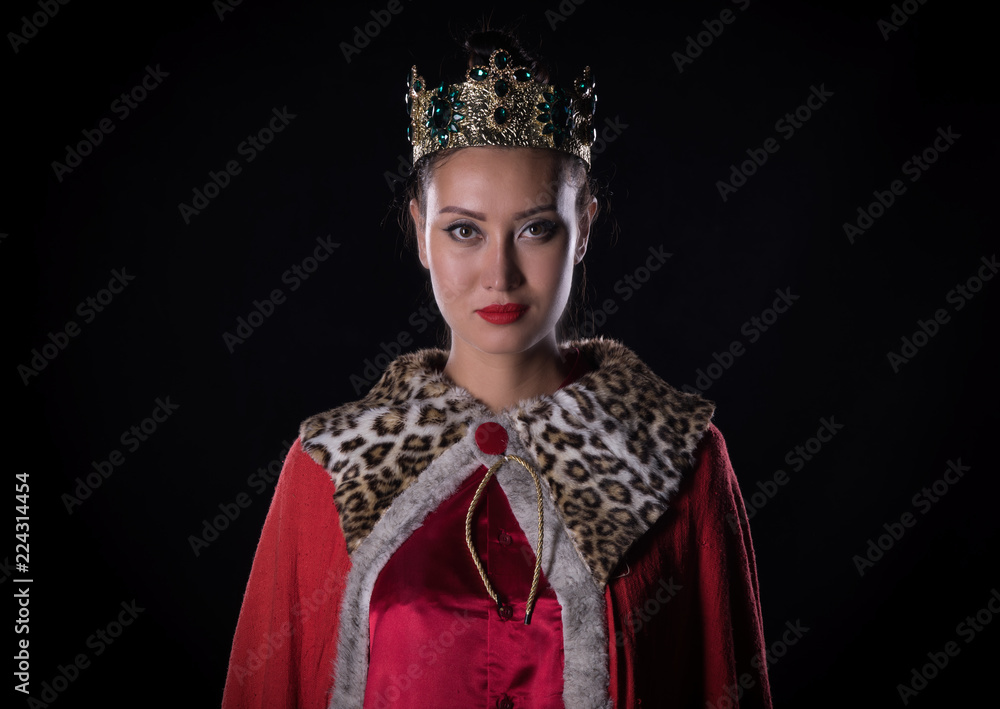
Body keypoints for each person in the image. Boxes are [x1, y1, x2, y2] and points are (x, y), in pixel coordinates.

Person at [222, 29, 772, 709]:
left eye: (535, 228)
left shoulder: (680, 460)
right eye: (464, 230)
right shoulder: (328, 468)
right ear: (420, 230)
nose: (500, 274)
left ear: (585, 228)